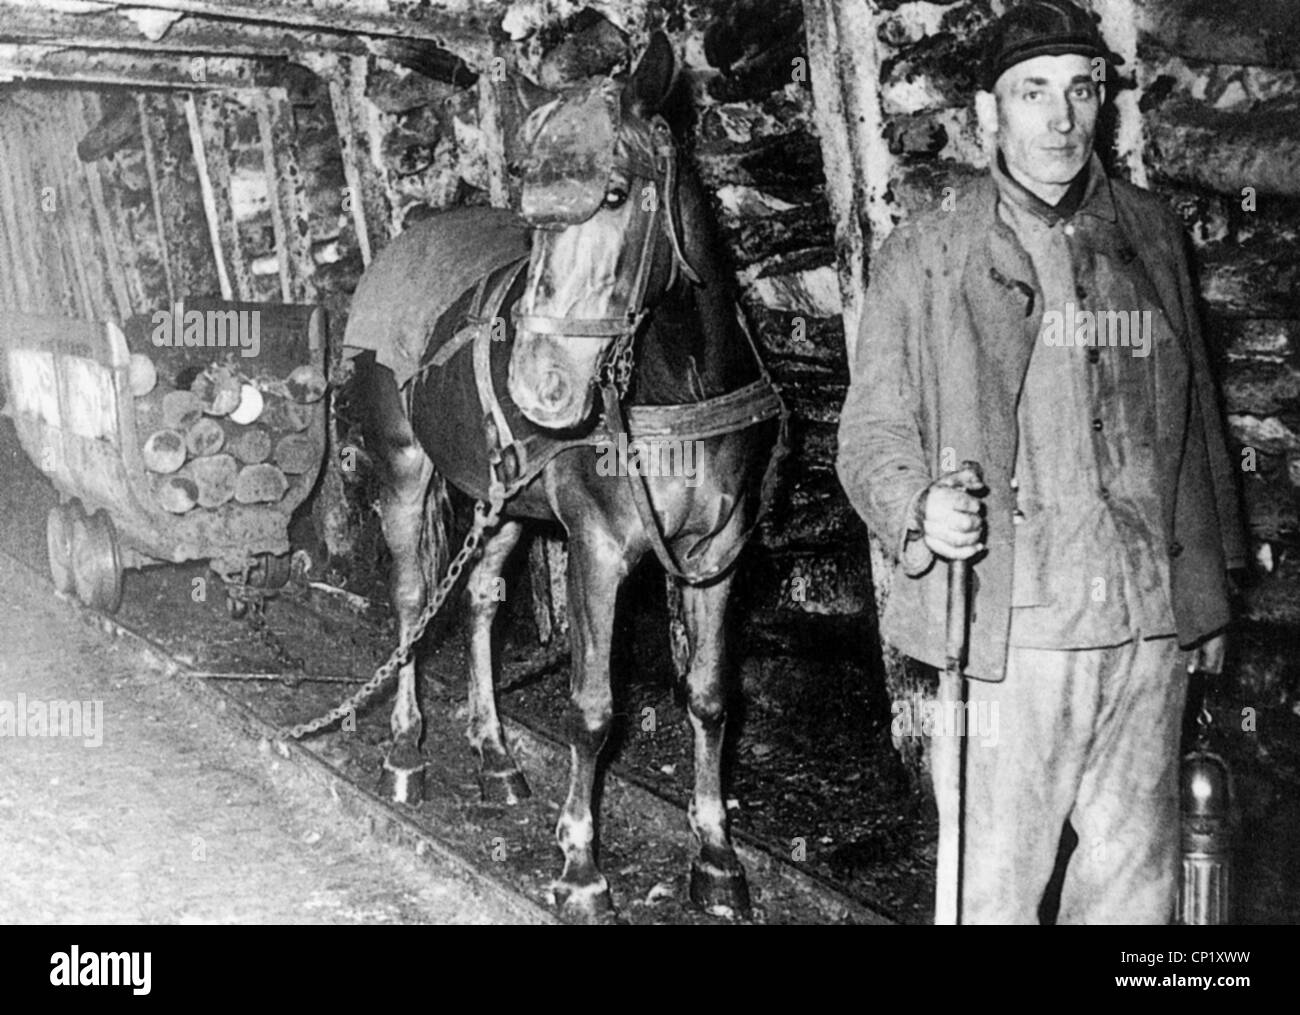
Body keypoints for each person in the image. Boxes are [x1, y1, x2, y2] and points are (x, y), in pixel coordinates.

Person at [836, 0, 1245, 924]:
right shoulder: (930, 249)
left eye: (1081, 90)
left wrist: (1210, 587)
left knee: (1136, 891)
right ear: (989, 113)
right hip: (1009, 633)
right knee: (993, 889)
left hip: (1146, 624)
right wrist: (918, 508)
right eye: (1033, 93)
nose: (1061, 119)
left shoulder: (1150, 232)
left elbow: (1200, 421)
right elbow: (868, 435)